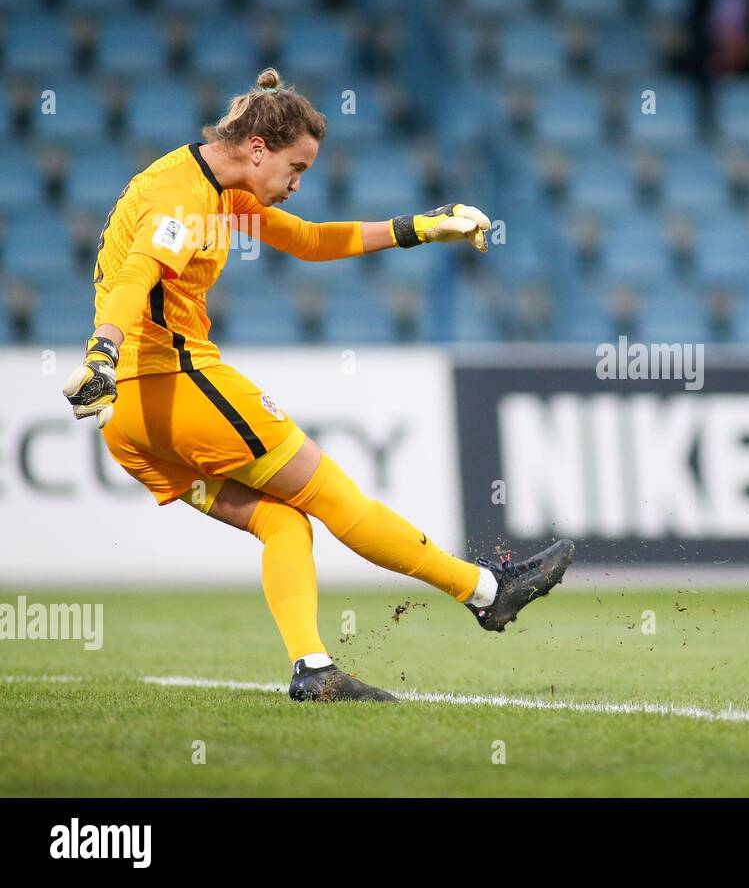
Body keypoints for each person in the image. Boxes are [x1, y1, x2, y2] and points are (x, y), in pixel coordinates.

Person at [61, 68, 575, 703]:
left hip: (132, 431)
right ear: (258, 148)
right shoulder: (185, 199)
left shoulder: (215, 187)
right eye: (295, 167)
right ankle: (488, 593)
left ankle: (313, 670)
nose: (297, 183)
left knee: (283, 523)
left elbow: (307, 241)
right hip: (173, 384)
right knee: (334, 496)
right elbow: (136, 276)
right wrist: (103, 354)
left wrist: (420, 226)